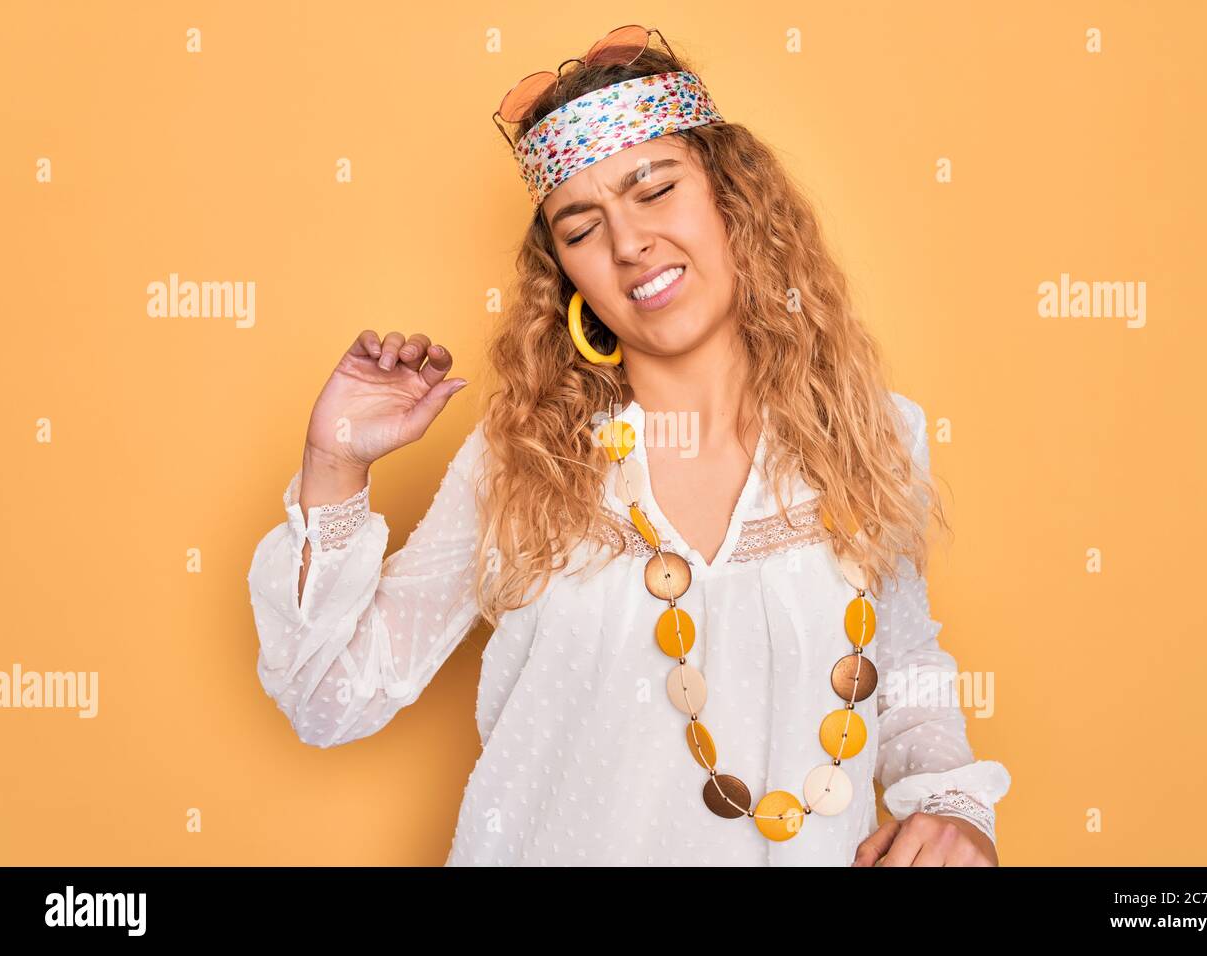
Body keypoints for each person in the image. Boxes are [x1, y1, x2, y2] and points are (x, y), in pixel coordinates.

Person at [246, 26, 1011, 866]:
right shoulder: (523, 462)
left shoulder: (871, 433)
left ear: (734, 198)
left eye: (655, 190)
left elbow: (902, 675)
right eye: (582, 228)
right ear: (567, 276)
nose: (628, 244)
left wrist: (954, 807)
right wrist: (336, 462)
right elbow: (328, 702)